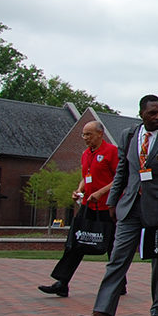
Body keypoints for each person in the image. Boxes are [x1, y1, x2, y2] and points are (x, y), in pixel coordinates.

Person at [75, 95, 158, 316]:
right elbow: (122, 173)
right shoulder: (128, 136)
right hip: (130, 208)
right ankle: (103, 312)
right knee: (117, 259)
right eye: (152, 113)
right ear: (141, 114)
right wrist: (113, 202)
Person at [39, 121, 121, 297]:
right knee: (76, 241)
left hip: (108, 207)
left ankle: (119, 283)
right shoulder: (85, 154)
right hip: (88, 205)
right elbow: (86, 176)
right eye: (83, 135)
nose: (85, 138)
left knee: (112, 245)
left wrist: (100, 193)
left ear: (100, 134)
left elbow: (120, 179)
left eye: (89, 134)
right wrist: (79, 190)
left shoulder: (112, 152)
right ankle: (62, 282)